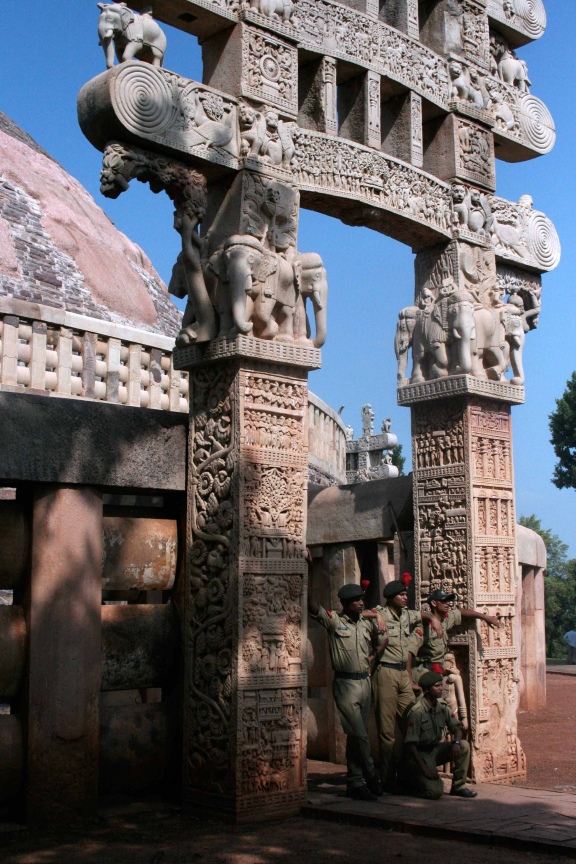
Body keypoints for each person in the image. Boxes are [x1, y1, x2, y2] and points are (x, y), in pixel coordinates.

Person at [308, 582, 388, 801]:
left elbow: (384, 638)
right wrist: (309, 570)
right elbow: (311, 605)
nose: (361, 603)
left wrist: (372, 658)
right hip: (345, 685)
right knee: (360, 734)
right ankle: (371, 776)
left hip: (364, 682)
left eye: (362, 599)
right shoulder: (335, 621)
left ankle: (354, 783)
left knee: (355, 737)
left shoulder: (366, 623)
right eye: (356, 600)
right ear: (344, 603)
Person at [368, 577, 444, 793]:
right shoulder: (380, 613)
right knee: (387, 732)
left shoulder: (406, 614)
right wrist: (374, 614)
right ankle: (387, 778)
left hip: (404, 674)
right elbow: (358, 613)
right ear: (390, 598)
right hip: (386, 672)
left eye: (405, 595)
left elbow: (422, 614)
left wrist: (433, 619)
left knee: (412, 721)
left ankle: (409, 773)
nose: (405, 598)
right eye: (401, 595)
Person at [403, 670, 477, 799]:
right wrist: (425, 769)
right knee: (435, 792)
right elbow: (411, 746)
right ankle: (411, 784)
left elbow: (457, 727)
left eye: (440, 685)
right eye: (436, 686)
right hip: (421, 755)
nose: (440, 688)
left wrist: (456, 742)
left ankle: (459, 786)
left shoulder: (442, 707)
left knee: (464, 745)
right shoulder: (417, 712)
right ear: (426, 690)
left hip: (436, 750)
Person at [407, 589, 501, 689]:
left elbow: (460, 612)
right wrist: (410, 682)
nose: (447, 604)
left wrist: (485, 617)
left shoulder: (445, 620)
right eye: (443, 601)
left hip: (436, 672)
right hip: (424, 674)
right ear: (434, 603)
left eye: (448, 601)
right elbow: (408, 651)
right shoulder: (424, 627)